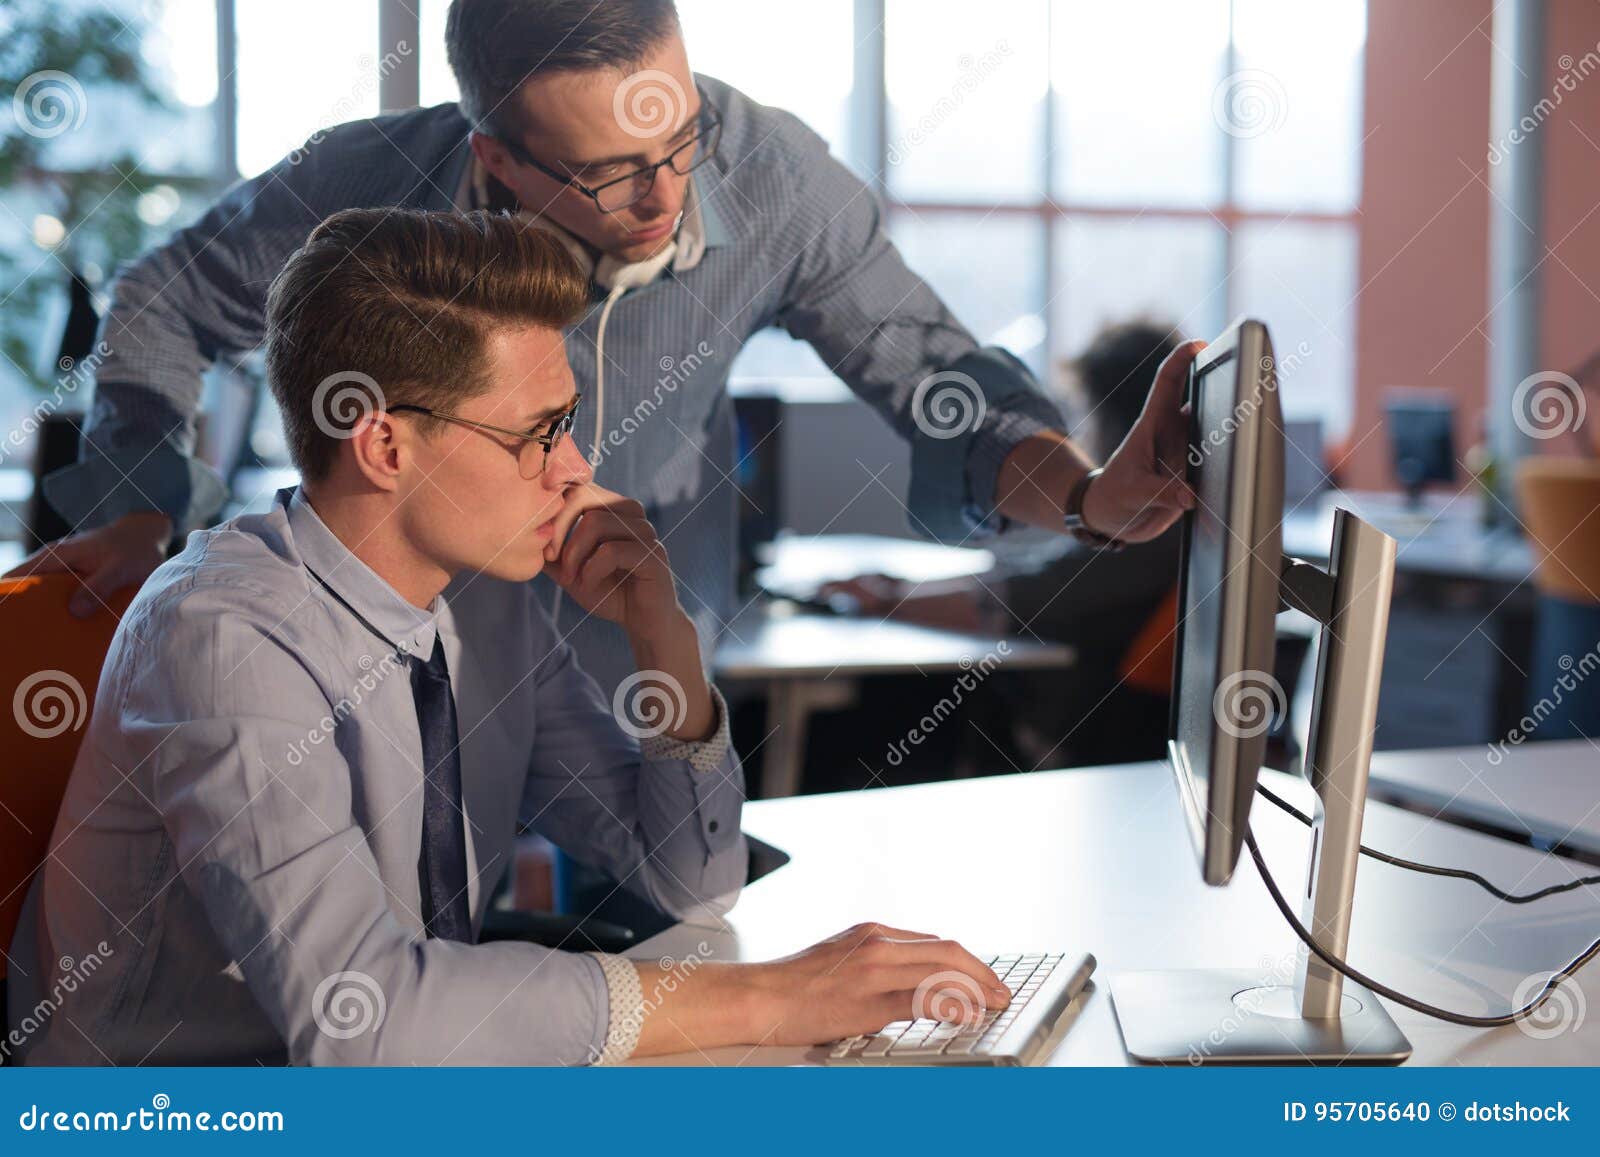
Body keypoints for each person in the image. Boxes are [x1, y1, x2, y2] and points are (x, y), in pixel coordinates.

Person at [7, 209, 1010, 1066]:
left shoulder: (481, 606)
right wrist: (779, 996)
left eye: (567, 424)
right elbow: (364, 1019)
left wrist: (662, 635)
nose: (575, 467)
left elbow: (690, 880)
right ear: (386, 443)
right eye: (537, 432)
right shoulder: (222, 637)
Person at [9, 0, 1202, 700]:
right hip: (394, 623)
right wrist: (133, 504)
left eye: (680, 136)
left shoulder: (768, 177)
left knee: (675, 920)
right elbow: (158, 297)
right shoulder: (364, 183)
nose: (665, 194)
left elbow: (941, 385)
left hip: (645, 611)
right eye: (608, 172)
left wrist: (1093, 497)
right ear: (496, 156)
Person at [820, 322, 1186, 769]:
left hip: (1061, 736)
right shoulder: (1157, 514)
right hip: (1074, 716)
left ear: (1112, 418)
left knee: (896, 700)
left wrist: (885, 600)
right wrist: (901, 587)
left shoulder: (1154, 523)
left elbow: (1006, 601)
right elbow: (1027, 575)